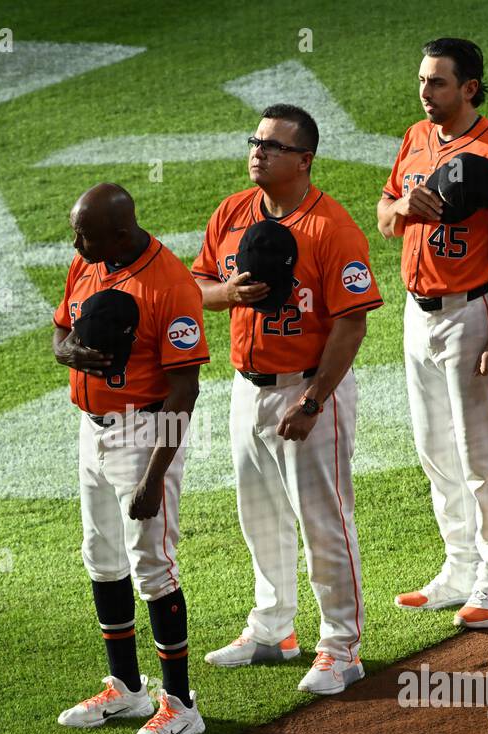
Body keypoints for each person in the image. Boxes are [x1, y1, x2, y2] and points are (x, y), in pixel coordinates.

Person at [193, 104, 382, 695]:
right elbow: (196, 286)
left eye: (273, 146)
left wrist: (314, 401)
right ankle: (274, 630)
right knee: (261, 516)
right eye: (255, 141)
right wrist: (226, 292)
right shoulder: (231, 212)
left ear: (304, 160)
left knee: (323, 520)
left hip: (305, 389)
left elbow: (351, 323)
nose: (258, 151)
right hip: (245, 388)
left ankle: (342, 647)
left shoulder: (332, 229)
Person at [376, 38, 488, 628]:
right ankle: (457, 568)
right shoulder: (416, 139)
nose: (425, 92)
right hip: (416, 315)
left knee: (481, 456)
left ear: (469, 87)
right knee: (434, 450)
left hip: (474, 315)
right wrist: (403, 212)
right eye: (422, 81)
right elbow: (385, 213)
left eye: (438, 82)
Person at [52, 183, 210, 734]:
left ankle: (181, 704)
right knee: (101, 556)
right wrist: (66, 350)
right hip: (90, 428)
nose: (75, 243)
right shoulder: (87, 262)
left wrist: (154, 478)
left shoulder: (169, 285)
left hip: (145, 432)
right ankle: (125, 687)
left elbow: (184, 389)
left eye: (84, 235)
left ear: (121, 233)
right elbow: (61, 330)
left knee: (152, 565)